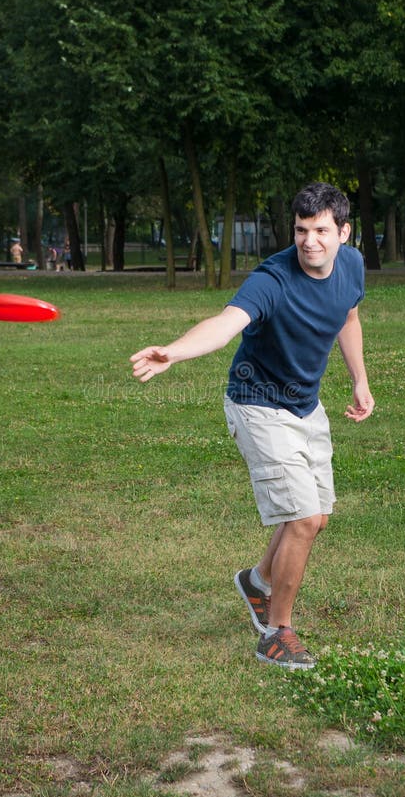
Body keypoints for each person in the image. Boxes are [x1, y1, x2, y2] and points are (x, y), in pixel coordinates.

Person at [130, 182, 375, 671]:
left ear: (343, 233)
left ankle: (258, 580)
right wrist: (174, 351)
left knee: (315, 517)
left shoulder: (351, 265)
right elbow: (226, 323)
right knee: (303, 519)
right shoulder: (273, 279)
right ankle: (276, 632)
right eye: (302, 230)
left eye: (322, 231)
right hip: (257, 403)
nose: (310, 242)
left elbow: (348, 314)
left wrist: (360, 379)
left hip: (305, 405)